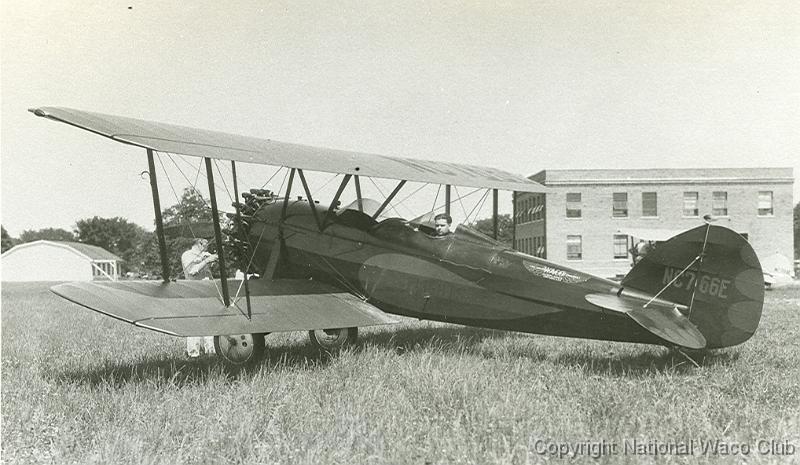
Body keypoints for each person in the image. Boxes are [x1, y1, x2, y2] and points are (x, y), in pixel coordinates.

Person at [181, 238, 218, 357]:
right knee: (195, 323)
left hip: (207, 292)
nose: (207, 246)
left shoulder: (203, 255)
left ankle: (211, 351)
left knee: (210, 321)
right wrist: (207, 260)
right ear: (199, 243)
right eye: (206, 243)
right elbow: (192, 271)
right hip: (194, 292)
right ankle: (193, 353)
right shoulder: (187, 255)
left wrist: (211, 260)